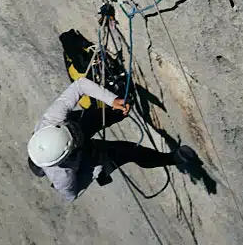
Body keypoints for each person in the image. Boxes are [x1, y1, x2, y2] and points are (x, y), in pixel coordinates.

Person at [27, 76, 194, 202]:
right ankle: (172, 158)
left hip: (75, 126)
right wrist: (94, 170)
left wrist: (112, 100)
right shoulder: (62, 177)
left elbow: (80, 85)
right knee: (129, 151)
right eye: (74, 138)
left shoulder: (51, 119)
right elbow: (71, 195)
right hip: (88, 158)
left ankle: (120, 105)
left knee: (114, 112)